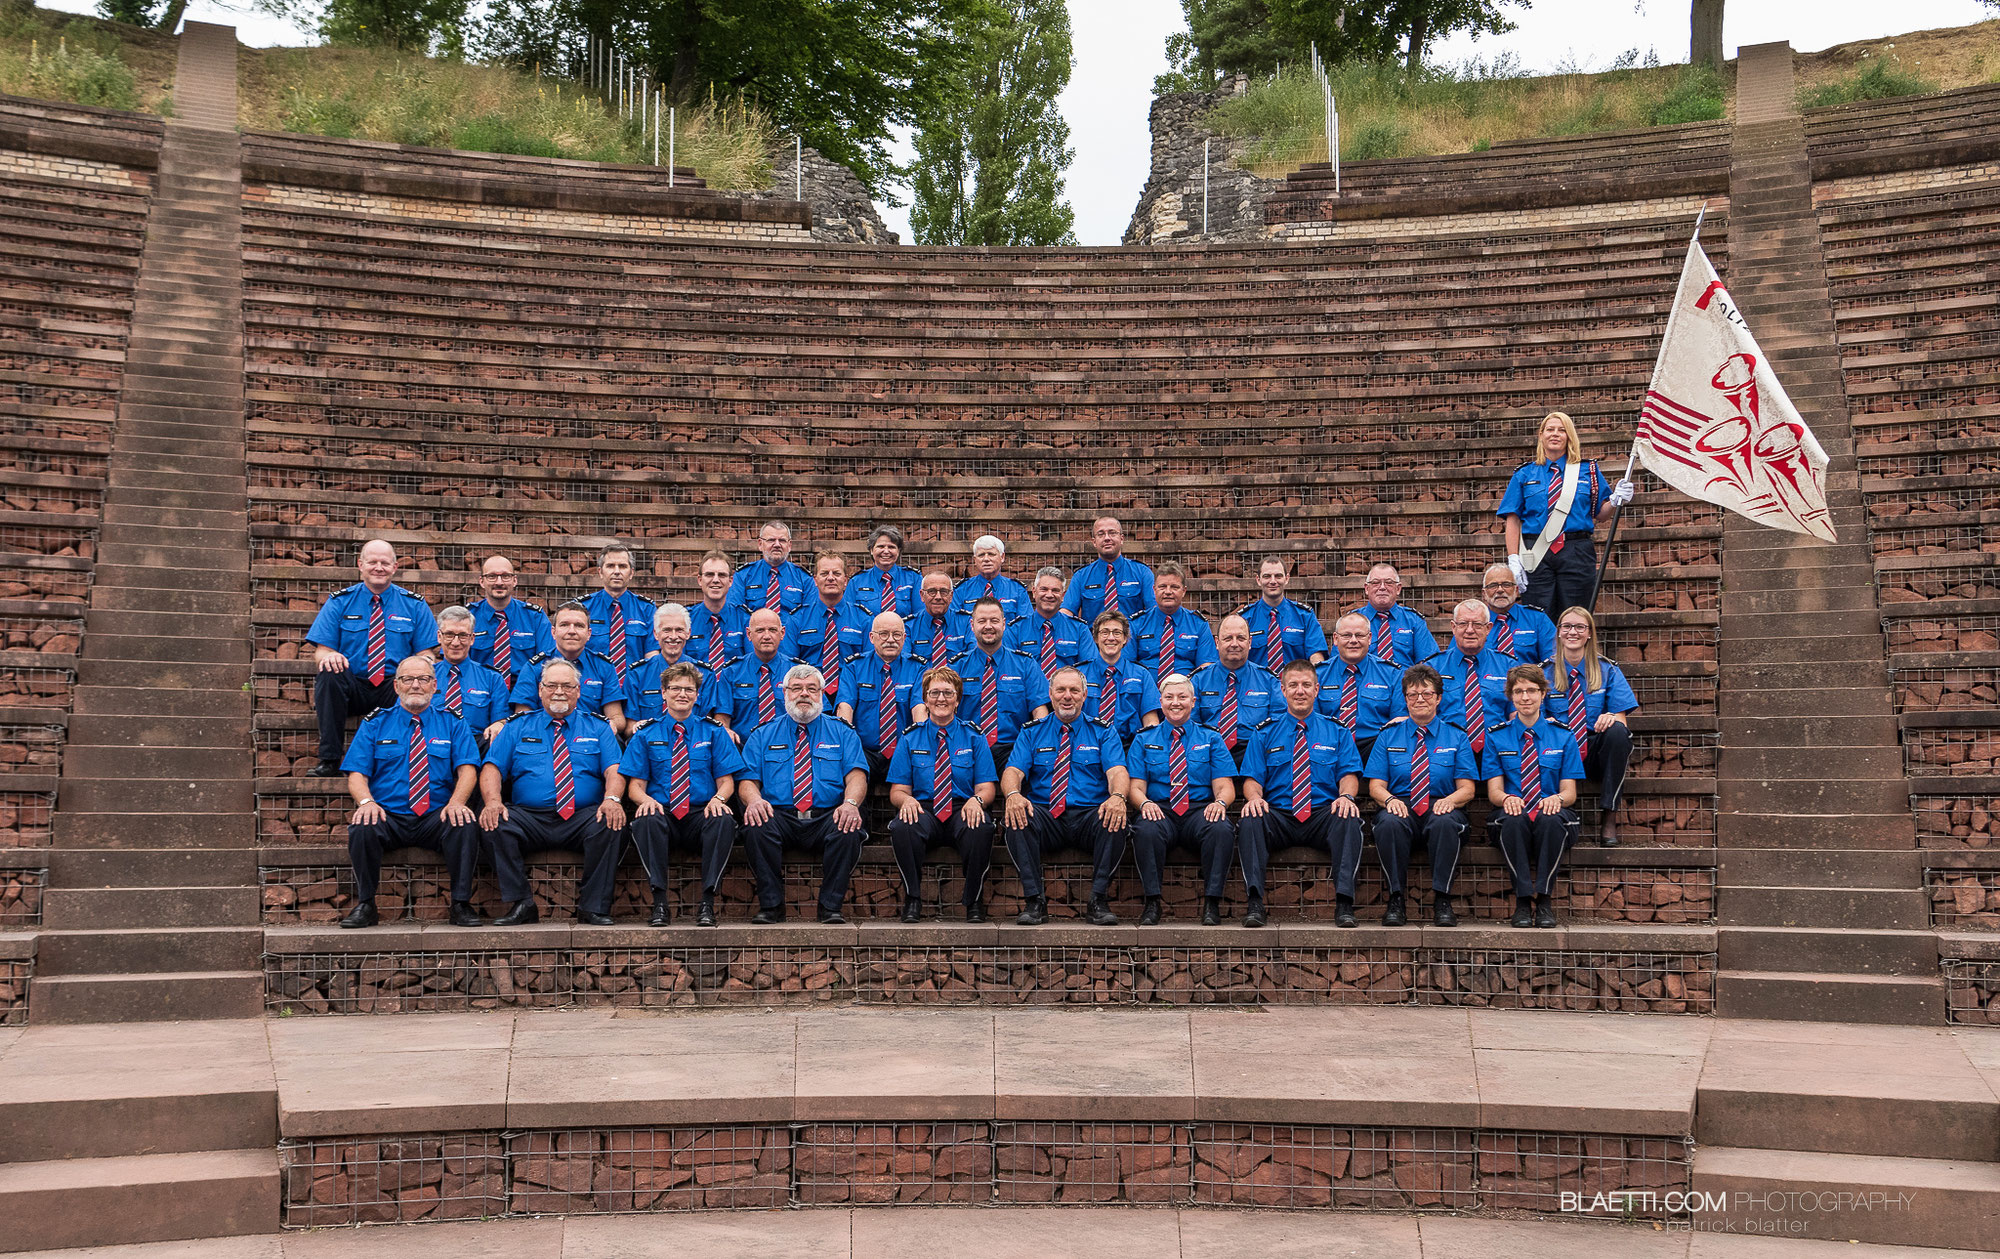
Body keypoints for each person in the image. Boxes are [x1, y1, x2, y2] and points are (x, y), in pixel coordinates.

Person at [480, 660, 627, 926]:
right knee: (493, 822)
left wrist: (611, 799)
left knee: (611, 822)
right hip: (530, 817)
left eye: (567, 686)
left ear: (579, 691)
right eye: (552, 685)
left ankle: (592, 907)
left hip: (582, 816)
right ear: (540, 689)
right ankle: (522, 903)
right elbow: (492, 768)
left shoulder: (598, 727)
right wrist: (492, 801)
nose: (559, 691)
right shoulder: (517, 726)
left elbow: (614, 770)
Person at [338, 656, 482, 928]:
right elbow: (357, 773)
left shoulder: (453, 722)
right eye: (408, 679)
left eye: (423, 679)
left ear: (434, 685)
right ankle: (366, 905)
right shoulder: (375, 723)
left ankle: (461, 905)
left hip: (434, 816)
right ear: (396, 686)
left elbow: (468, 770)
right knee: (362, 826)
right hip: (388, 815)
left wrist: (457, 802)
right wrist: (366, 802)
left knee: (464, 823)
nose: (415, 685)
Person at [734, 665, 870, 924]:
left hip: (826, 816)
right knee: (755, 824)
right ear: (785, 693)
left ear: (822, 694)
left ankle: (830, 908)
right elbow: (747, 780)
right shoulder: (762, 734)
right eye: (796, 688)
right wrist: (753, 800)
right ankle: (771, 907)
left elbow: (856, 776)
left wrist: (850, 803)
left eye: (811, 688)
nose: (804, 694)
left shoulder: (843, 732)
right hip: (780, 816)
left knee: (849, 825)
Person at [1239, 659, 1365, 929]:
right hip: (1280, 815)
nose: (1300, 691)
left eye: (1306, 685)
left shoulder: (1337, 731)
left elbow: (1348, 776)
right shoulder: (1264, 733)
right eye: (1293, 685)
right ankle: (1254, 903)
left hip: (1322, 813)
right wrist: (1254, 798)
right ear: (1282, 690)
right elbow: (1252, 779)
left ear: (1317, 689)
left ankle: (1344, 904)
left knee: (1349, 818)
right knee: (1250, 820)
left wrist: (1345, 796)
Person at [1002, 666, 1131, 926]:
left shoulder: (1103, 731)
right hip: (1046, 815)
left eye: (1074, 690)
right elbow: (1013, 771)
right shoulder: (1031, 731)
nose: (1067, 696)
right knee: (1016, 818)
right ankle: (1035, 901)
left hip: (1089, 815)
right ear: (1050, 694)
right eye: (1061, 690)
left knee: (1117, 820)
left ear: (1085, 696)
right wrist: (1013, 794)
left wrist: (1118, 796)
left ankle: (1098, 900)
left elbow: (1117, 771)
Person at [621, 662, 743, 927]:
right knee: (646, 820)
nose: (682, 694)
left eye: (689, 689)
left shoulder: (713, 731)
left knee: (723, 820)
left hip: (700, 812)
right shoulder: (646, 733)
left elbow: (726, 782)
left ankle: (707, 904)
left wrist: (718, 799)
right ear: (663, 692)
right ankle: (660, 904)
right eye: (675, 688)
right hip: (663, 812)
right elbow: (634, 787)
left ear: (697, 695)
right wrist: (646, 801)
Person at [306, 539, 439, 775]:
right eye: (373, 562)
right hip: (352, 685)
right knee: (328, 672)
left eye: (385, 563)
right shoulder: (340, 601)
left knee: (420, 679)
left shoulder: (414, 605)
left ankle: (399, 763)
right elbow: (322, 650)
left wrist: (425, 664)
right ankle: (329, 759)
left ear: (395, 567)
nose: (379, 567)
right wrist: (329, 655)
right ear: (360, 565)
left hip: (393, 685)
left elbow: (426, 652)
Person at [1366, 665, 1478, 929]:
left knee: (1445, 822)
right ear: (1405, 699)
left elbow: (1468, 789)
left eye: (1427, 694)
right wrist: (1390, 801)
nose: (1419, 699)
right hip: (1401, 805)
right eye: (1413, 694)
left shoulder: (1456, 736)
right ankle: (1396, 899)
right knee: (1388, 823)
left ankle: (1442, 899)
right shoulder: (1388, 735)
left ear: (1439, 697)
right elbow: (1376, 786)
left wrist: (1451, 800)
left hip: (1441, 803)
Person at [886, 666, 998, 923]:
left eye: (948, 693)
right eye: (934, 692)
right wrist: (907, 800)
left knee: (981, 826)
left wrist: (977, 800)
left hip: (962, 807)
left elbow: (987, 787)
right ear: (925, 699)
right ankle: (913, 899)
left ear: (958, 700)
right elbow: (897, 790)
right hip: (924, 808)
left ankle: (974, 902)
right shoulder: (909, 738)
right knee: (903, 826)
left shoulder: (974, 736)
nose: (941, 699)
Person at [1499, 411, 1634, 621]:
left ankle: (1575, 655)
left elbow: (1602, 514)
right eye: (1550, 429)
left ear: (1569, 436)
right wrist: (1513, 558)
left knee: (1576, 616)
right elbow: (1513, 519)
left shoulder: (1587, 471)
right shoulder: (1524, 474)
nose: (1556, 434)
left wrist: (1616, 500)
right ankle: (1544, 656)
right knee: (1538, 617)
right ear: (1541, 435)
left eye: (1562, 430)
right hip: (1536, 553)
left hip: (1576, 551)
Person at [1125, 674, 1236, 926]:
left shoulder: (1211, 738)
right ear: (1160, 701)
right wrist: (1143, 804)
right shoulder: (1144, 739)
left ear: (1193, 701)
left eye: (1182, 697)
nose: (1176, 703)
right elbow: (1135, 787)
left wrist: (1219, 804)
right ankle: (1152, 903)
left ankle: (1212, 903)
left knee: (1221, 829)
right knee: (1145, 829)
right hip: (1160, 809)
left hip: (1198, 810)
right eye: (1169, 697)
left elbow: (1225, 786)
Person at [1483, 665, 1584, 929]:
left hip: (1550, 812)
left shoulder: (1563, 735)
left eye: (1531, 690)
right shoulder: (1496, 736)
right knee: (1512, 820)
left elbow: (1570, 792)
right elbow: (1494, 792)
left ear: (1543, 694)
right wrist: (1506, 799)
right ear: (1510, 696)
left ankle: (1545, 901)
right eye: (1518, 691)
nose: (1525, 697)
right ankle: (1522, 901)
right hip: (1514, 813)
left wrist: (1557, 800)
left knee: (1551, 819)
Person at [1544, 607, 1638, 846]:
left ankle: (1609, 814)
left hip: (1592, 749)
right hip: (1558, 752)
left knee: (1618, 733)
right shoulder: (1543, 672)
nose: (1572, 632)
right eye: (1566, 626)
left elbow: (1622, 720)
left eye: (1579, 627)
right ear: (1558, 633)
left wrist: (1611, 717)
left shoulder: (1608, 670)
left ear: (1589, 634)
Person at [1412, 601, 1512, 770]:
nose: (1470, 630)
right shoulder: (1433, 667)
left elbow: (1516, 713)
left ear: (1488, 628)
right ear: (1453, 627)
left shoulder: (1508, 666)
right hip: (1446, 753)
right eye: (1463, 624)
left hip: (1497, 752)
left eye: (1477, 625)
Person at [950, 596, 1051, 764]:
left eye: (994, 621)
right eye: (982, 621)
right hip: (967, 747)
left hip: (1013, 748)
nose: (988, 626)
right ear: (972, 625)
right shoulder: (957, 667)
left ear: (1004, 624)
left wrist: (1032, 747)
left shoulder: (1025, 664)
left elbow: (1039, 712)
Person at [509, 604, 628, 736]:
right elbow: (522, 715)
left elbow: (617, 717)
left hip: (590, 737)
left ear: (589, 634)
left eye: (579, 625)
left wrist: (610, 724)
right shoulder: (534, 667)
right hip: (544, 736)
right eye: (564, 625)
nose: (571, 631)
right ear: (553, 632)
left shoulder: (603, 666)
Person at [834, 611, 928, 777]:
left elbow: (919, 709)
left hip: (903, 752)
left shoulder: (917, 667)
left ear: (904, 638)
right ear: (871, 637)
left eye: (896, 634)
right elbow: (845, 708)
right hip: (863, 752)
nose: (890, 640)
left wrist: (920, 748)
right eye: (884, 634)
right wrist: (848, 748)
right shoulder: (854, 667)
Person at [1190, 614, 1282, 767]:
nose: (1234, 644)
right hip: (1210, 752)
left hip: (1255, 752)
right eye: (1228, 639)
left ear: (1250, 642)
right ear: (1217, 643)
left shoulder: (1268, 680)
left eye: (1240, 638)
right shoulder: (1199, 680)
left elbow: (1278, 722)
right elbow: (1192, 723)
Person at [698, 608, 801, 742]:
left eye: (772, 630)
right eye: (760, 630)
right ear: (748, 634)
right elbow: (722, 718)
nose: (766, 636)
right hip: (744, 748)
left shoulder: (797, 672)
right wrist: (726, 731)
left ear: (782, 633)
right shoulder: (732, 672)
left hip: (788, 748)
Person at [782, 552, 872, 700]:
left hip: (853, 695)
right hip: (808, 696)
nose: (830, 577)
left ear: (845, 580)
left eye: (836, 573)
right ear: (815, 580)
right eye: (824, 573)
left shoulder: (863, 619)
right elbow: (789, 665)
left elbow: (868, 666)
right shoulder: (798, 618)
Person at [1314, 613, 1403, 761]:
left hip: (1374, 749)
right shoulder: (1318, 674)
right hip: (1329, 746)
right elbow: (1313, 721)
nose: (1353, 641)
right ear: (1335, 639)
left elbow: (1398, 719)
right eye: (1347, 635)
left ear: (1369, 638)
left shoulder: (1391, 674)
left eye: (1359, 635)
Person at [580, 543, 657, 691]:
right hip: (592, 688)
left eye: (622, 566)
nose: (616, 572)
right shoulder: (583, 608)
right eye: (610, 566)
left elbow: (651, 655)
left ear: (631, 573)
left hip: (634, 688)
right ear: (600, 572)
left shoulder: (646, 609)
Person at [1125, 561, 1218, 682]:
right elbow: (1128, 665)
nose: (1168, 592)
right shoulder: (1137, 623)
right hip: (1145, 692)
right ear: (1154, 590)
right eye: (1162, 587)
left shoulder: (1198, 624)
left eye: (1174, 587)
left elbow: (1206, 667)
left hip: (1186, 694)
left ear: (1184, 591)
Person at [469, 554, 553, 687]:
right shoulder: (468, 617)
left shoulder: (534, 617)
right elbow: (456, 660)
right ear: (481, 581)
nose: (499, 582)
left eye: (505, 576)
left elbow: (548, 661)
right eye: (492, 576)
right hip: (479, 690)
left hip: (524, 689)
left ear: (514, 580)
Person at [1078, 610, 1162, 742]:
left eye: (1117, 633)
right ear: (1095, 638)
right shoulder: (1079, 674)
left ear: (1125, 638)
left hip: (1129, 746)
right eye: (1104, 632)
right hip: (1088, 745)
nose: (1111, 638)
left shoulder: (1141, 674)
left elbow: (1151, 721)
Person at [432, 606, 510, 744]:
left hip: (476, 745)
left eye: (462, 635)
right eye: (449, 634)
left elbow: (501, 719)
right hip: (432, 744)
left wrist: (500, 724)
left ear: (472, 638)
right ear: (439, 636)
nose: (456, 643)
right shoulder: (424, 676)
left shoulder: (492, 678)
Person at [1236, 555, 1328, 670]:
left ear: (1287, 578)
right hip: (1256, 686)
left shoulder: (1305, 616)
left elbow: (1316, 655)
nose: (1273, 581)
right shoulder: (1244, 619)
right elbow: (1236, 658)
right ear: (1258, 580)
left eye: (1278, 576)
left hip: (1294, 685)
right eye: (1267, 576)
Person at [1005, 566, 1092, 680]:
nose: (1049, 595)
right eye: (1044, 589)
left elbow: (1089, 670)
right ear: (1034, 592)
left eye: (1055, 590)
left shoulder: (1079, 629)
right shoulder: (1015, 630)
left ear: (1063, 596)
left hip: (1067, 695)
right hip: (1028, 696)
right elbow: (1009, 671)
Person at [1062, 516, 1156, 620]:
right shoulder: (1081, 576)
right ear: (1094, 542)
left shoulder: (1142, 572)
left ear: (1121, 539)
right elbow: (1067, 612)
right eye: (1101, 534)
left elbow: (1153, 611)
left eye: (1112, 533)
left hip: (1131, 635)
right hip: (1092, 635)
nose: (1107, 538)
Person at [622, 604, 699, 730]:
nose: (673, 637)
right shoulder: (637, 674)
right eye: (667, 630)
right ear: (656, 634)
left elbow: (708, 722)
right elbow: (629, 725)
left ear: (688, 633)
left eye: (679, 630)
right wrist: (636, 727)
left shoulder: (703, 673)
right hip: (649, 745)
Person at [1348, 564, 1439, 668]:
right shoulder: (1351, 622)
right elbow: (1339, 662)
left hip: (1403, 682)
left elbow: (1428, 663)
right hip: (1363, 682)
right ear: (1367, 588)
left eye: (1389, 583)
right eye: (1376, 582)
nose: (1382, 587)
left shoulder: (1413, 621)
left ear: (1398, 588)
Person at [728, 519, 813, 616]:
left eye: (782, 540)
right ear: (760, 544)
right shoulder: (743, 576)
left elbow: (809, 615)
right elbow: (736, 613)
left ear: (789, 545)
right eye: (771, 540)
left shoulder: (804, 578)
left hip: (791, 630)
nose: (777, 545)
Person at [1481, 562, 1557, 666]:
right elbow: (1458, 660)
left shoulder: (1537, 619)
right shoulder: (1474, 622)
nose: (1500, 590)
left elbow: (1553, 661)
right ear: (1484, 594)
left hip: (1528, 680)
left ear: (1516, 590)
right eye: (1493, 585)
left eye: (1506, 584)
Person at [950, 536, 1033, 626]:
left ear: (1002, 557)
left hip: (1008, 640)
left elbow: (1026, 625)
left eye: (991, 554)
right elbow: (955, 624)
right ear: (975, 560)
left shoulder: (1017, 590)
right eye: (981, 555)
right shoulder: (961, 590)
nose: (986, 559)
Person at [688, 550, 746, 674]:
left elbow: (751, 664)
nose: (715, 580)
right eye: (709, 574)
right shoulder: (686, 620)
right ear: (699, 580)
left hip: (733, 691)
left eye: (722, 575)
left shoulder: (745, 619)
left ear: (730, 581)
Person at [846, 525, 923, 617]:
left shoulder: (914, 579)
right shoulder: (856, 582)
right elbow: (849, 617)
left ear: (898, 551)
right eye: (881, 546)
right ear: (871, 550)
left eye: (891, 547)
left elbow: (920, 616)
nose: (886, 551)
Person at [908, 569, 967, 668]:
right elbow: (906, 663)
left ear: (951, 596)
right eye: (932, 591)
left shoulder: (967, 623)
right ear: (922, 595)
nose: (938, 597)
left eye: (944, 592)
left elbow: (972, 658)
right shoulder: (909, 626)